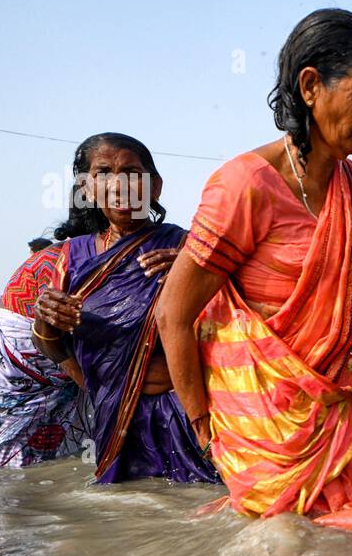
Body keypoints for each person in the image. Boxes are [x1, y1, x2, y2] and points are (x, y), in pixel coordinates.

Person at [156, 8, 352, 533]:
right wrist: (205, 430)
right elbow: (173, 313)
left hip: (332, 423)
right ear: (311, 85)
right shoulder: (247, 185)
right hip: (259, 435)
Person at [31, 133, 218, 484]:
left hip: (183, 417)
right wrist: (46, 318)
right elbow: (47, 343)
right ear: (86, 188)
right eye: (103, 173)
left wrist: (200, 268)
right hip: (114, 421)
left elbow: (237, 319)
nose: (119, 184)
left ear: (155, 186)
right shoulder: (71, 258)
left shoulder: (185, 245)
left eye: (132, 171)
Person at [0, 238, 96, 468]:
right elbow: (47, 339)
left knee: (65, 464)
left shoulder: (93, 260)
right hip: (8, 385)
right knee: (20, 476)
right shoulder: (60, 264)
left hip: (52, 380)